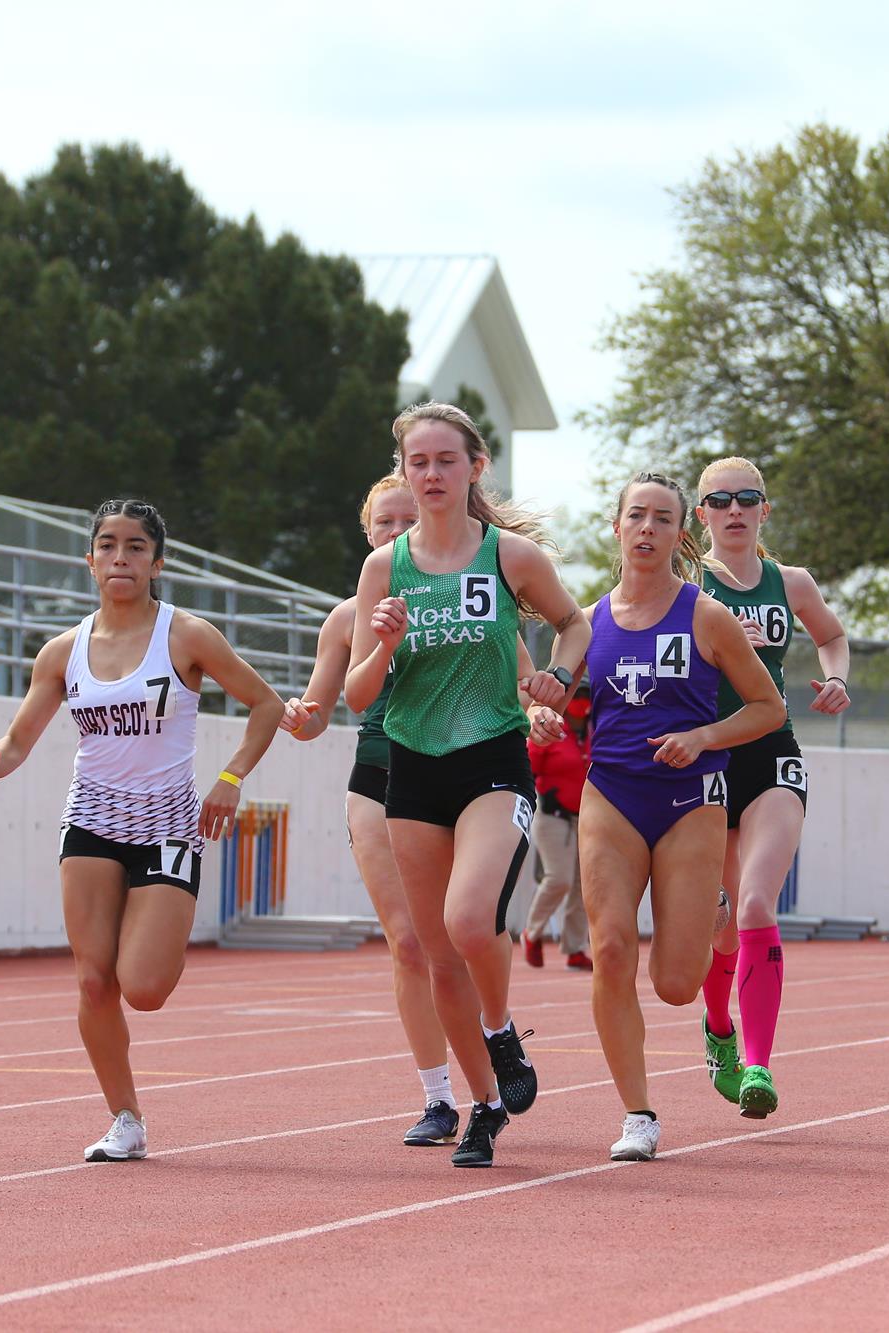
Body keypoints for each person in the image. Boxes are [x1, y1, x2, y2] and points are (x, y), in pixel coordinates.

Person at [0, 498, 283, 1162]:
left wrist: (229, 778)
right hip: (91, 822)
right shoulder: (63, 651)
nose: (120, 557)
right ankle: (126, 1118)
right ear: (89, 560)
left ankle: (159, 933)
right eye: (108, 545)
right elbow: (21, 736)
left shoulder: (187, 635)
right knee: (91, 979)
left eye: (135, 546)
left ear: (156, 561)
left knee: (142, 986)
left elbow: (265, 704)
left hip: (169, 824)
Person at [345, 402, 589, 1168]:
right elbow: (356, 695)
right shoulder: (385, 568)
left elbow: (573, 624)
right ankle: (484, 1105)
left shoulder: (509, 556)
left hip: (490, 758)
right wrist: (384, 644)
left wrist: (556, 676)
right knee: (437, 954)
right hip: (413, 766)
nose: (431, 475)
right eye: (418, 463)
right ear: (404, 472)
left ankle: (498, 1025)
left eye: (446, 461)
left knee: (467, 918)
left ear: (475, 467)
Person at [557, 470, 783, 1162]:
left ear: (681, 533)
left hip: (691, 802)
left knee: (676, 984)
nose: (648, 528)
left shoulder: (705, 614)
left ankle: (713, 914)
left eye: (662, 518)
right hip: (613, 796)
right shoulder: (588, 622)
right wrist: (541, 713)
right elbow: (551, 699)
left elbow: (767, 707)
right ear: (617, 528)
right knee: (614, 949)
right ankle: (638, 1113)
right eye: (637, 516)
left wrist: (704, 737)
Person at [278, 473, 459, 1147]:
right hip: (378, 778)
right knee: (409, 942)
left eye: (407, 519)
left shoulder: (471, 594)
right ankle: (438, 1097)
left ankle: (496, 1045)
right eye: (384, 522)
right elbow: (321, 709)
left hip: (460, 782)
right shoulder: (347, 618)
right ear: (369, 535)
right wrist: (300, 716)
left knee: (462, 937)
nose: (396, 531)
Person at [690, 457, 851, 1120]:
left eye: (746, 498)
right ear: (700, 514)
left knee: (755, 903)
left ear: (764, 509)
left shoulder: (792, 582)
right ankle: (718, 1029)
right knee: (718, 922)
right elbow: (611, 623)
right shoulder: (682, 581)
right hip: (703, 757)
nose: (734, 510)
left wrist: (837, 676)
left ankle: (757, 1063)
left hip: (772, 753)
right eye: (719, 500)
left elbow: (833, 635)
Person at [524, 684, 592, 971]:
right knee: (559, 877)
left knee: (583, 886)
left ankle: (575, 947)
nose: (580, 702)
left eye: (585, 696)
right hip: (553, 814)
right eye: (576, 696)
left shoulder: (594, 728)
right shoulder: (550, 727)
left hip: (587, 816)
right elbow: (529, 766)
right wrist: (539, 793)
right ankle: (533, 931)